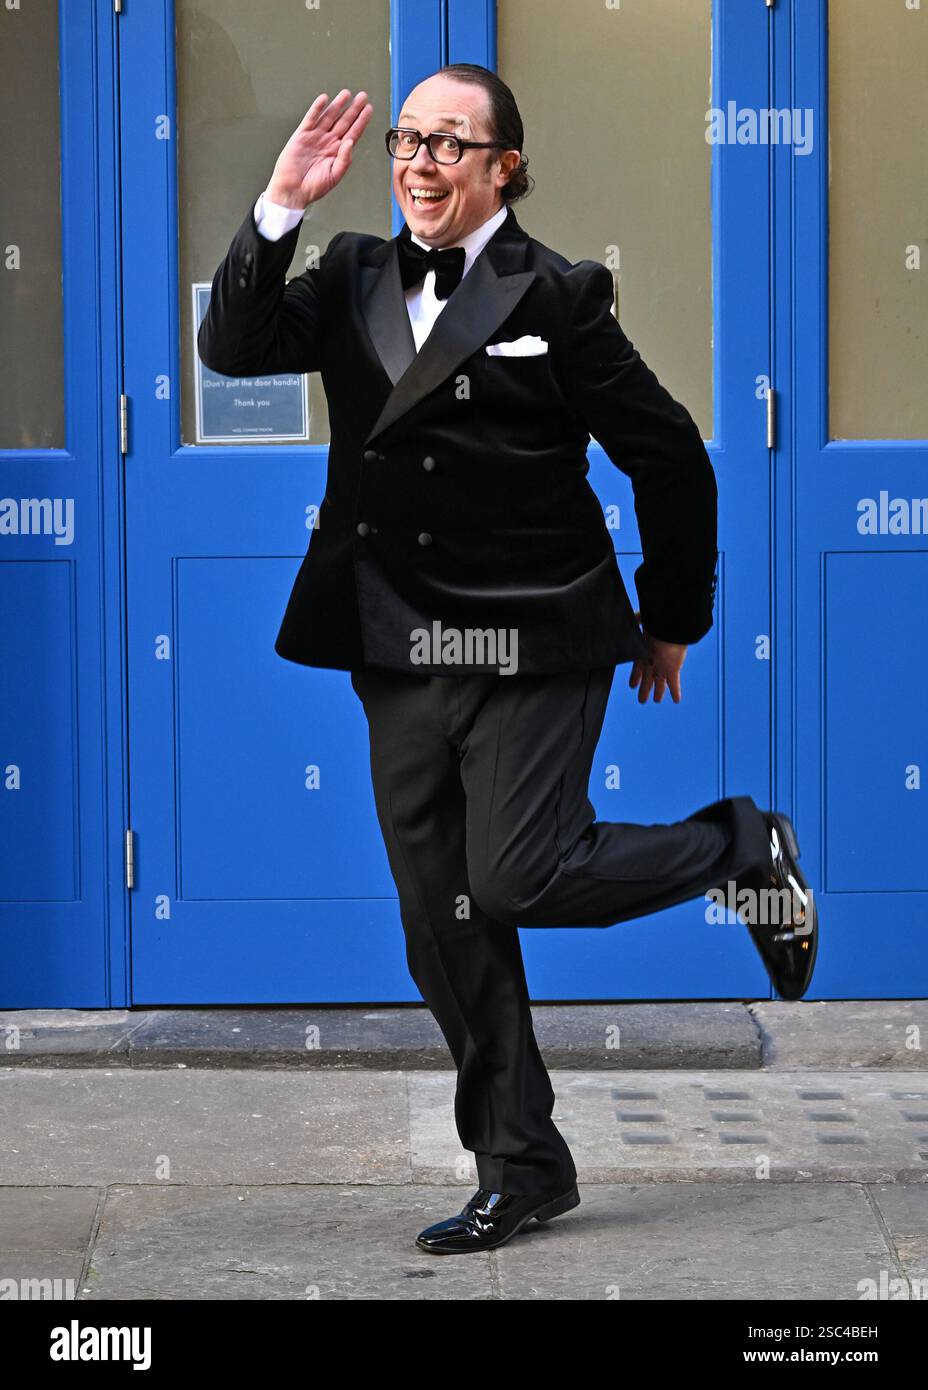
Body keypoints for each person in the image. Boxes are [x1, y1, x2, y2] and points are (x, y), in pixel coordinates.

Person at [197, 64, 819, 1256]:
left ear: (503, 168)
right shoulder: (350, 275)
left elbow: (669, 454)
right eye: (406, 140)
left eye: (449, 144)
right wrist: (280, 204)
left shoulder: (561, 295)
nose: (420, 163)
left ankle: (738, 847)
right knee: (442, 916)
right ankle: (520, 1162)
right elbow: (232, 346)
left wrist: (671, 612)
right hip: (395, 638)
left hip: (536, 633)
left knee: (521, 873)